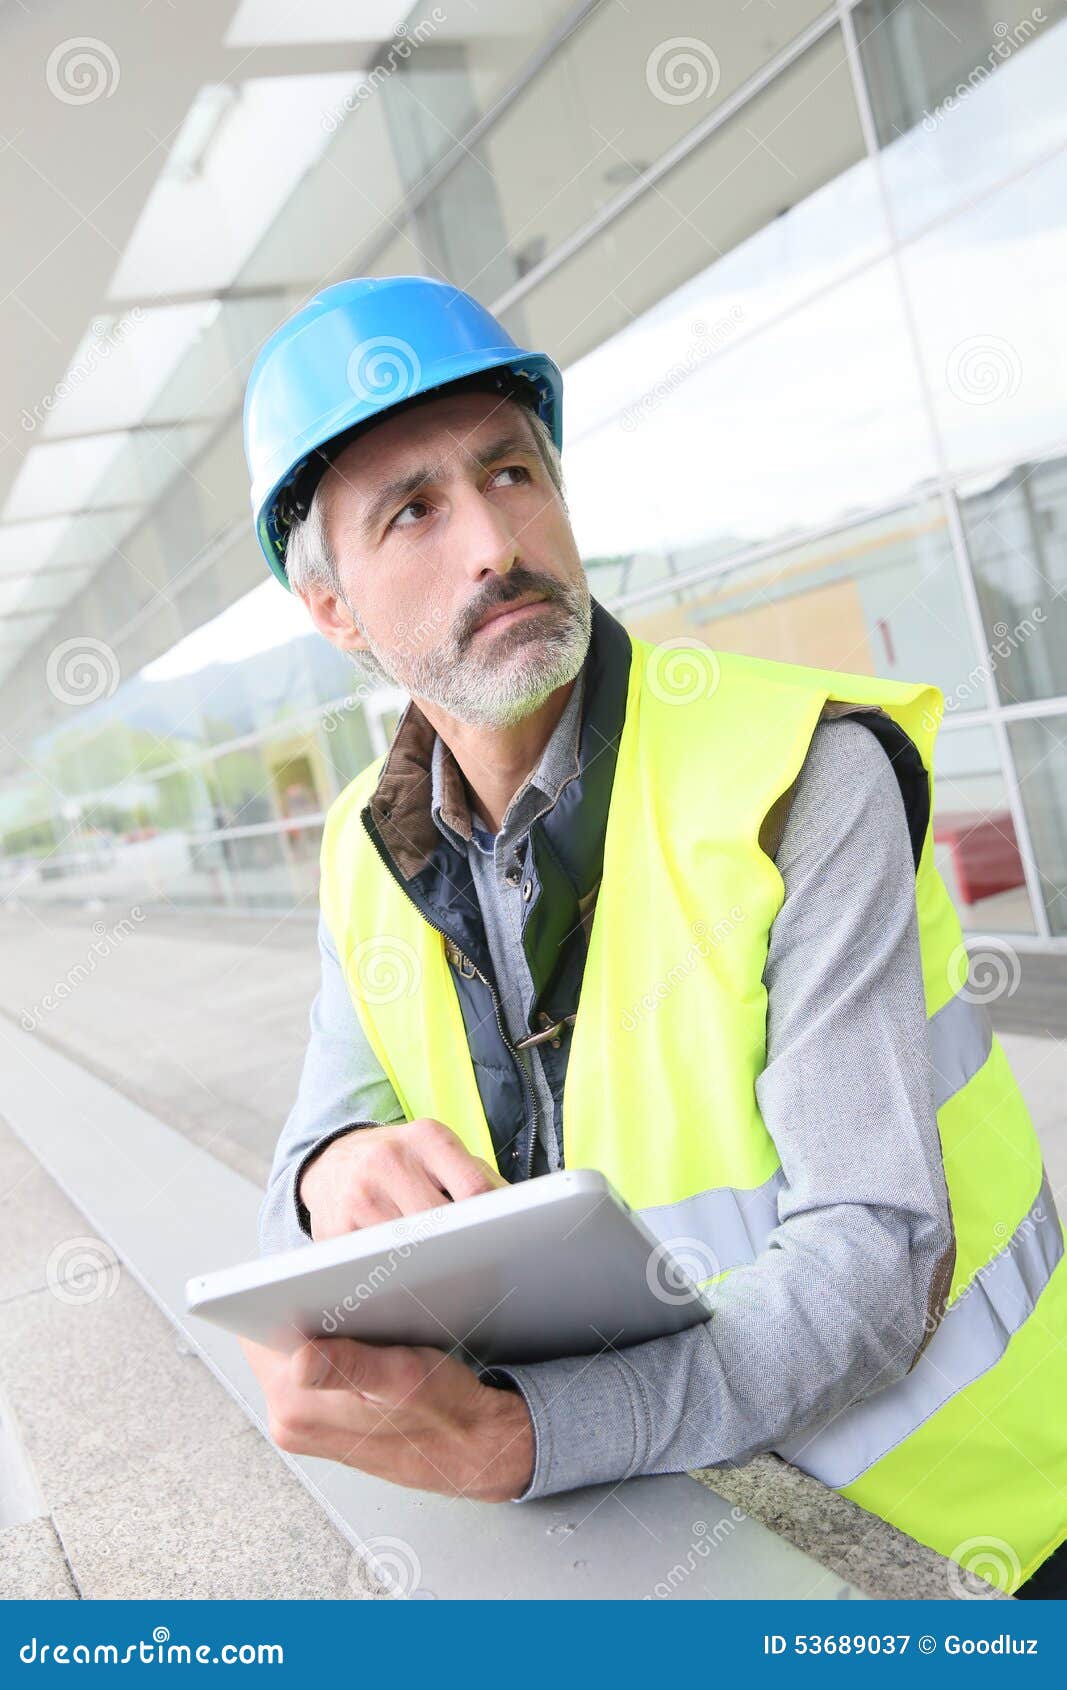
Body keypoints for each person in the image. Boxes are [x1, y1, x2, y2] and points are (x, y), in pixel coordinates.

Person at [239, 276, 1067, 1596]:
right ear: (332, 609)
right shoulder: (365, 850)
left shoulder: (800, 774)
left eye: (513, 472)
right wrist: (330, 1172)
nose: (492, 540)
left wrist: (523, 1438)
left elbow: (873, 1260)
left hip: (957, 1542)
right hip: (669, 1530)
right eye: (415, 510)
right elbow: (313, 1135)